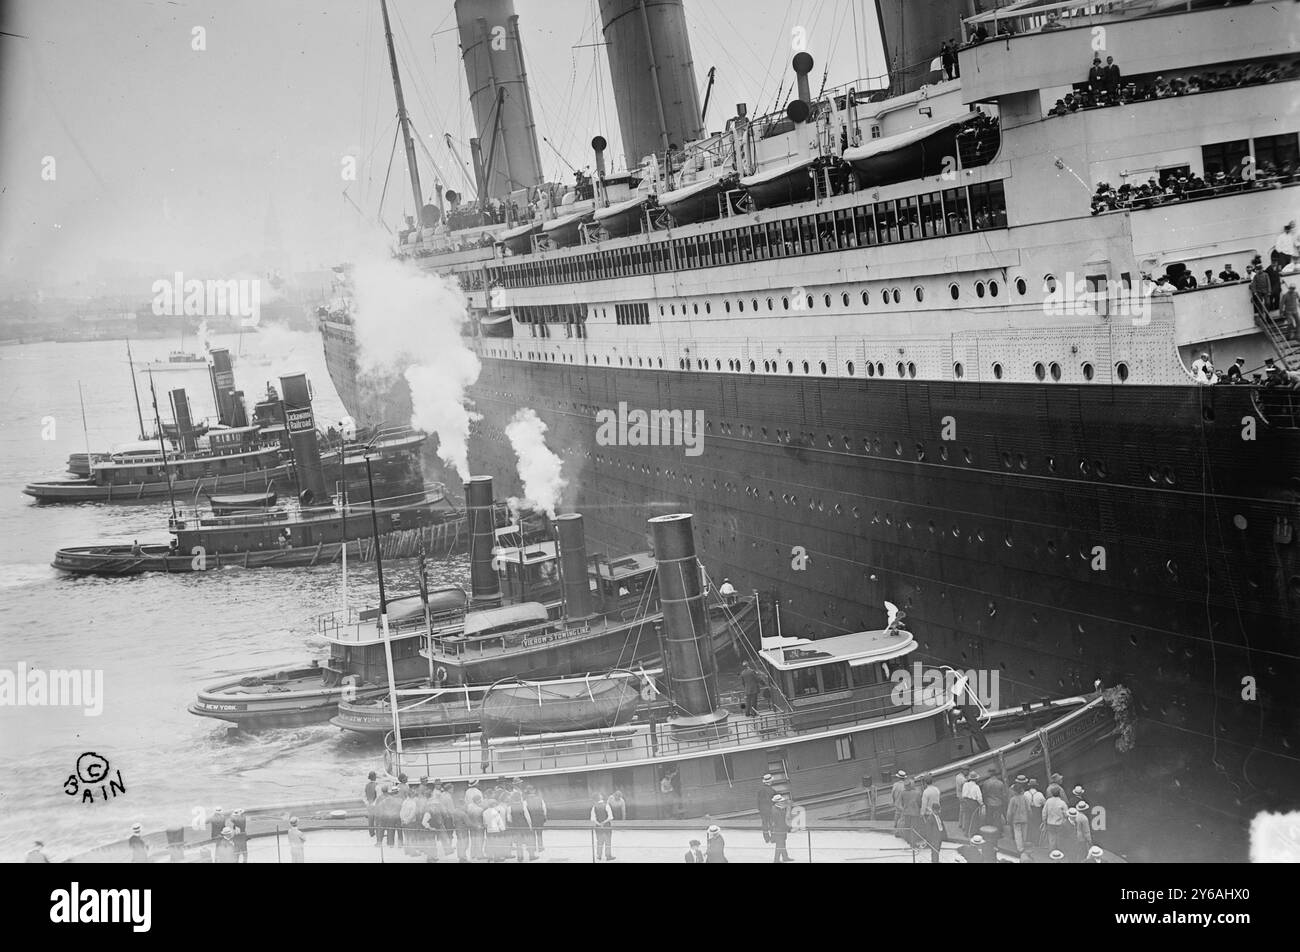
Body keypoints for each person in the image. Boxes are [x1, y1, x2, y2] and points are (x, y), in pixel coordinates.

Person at [506, 790, 534, 862]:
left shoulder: (509, 807)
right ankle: (531, 855)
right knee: (529, 841)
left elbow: (509, 819)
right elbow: (527, 817)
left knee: (519, 843)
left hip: (516, 827)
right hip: (524, 826)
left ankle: (520, 857)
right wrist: (530, 826)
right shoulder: (523, 806)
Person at [980, 769, 1008, 834]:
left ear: (990, 774)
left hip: (989, 803)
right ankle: (999, 832)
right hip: (998, 803)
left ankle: (988, 832)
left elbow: (984, 793)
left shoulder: (986, 783)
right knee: (998, 818)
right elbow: (1003, 794)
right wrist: (1004, 802)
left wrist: (984, 801)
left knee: (989, 817)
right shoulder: (1000, 783)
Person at [1042, 785, 1069, 850]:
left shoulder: (1048, 801)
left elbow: (1044, 812)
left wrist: (1044, 821)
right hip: (1060, 824)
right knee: (1059, 838)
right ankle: (1059, 851)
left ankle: (1052, 851)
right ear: (1059, 793)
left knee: (1051, 838)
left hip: (1050, 823)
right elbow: (1066, 814)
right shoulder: (1062, 803)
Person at [959, 769, 984, 836]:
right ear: (976, 779)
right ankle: (973, 832)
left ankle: (966, 832)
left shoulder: (965, 785)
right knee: (974, 818)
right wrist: (981, 804)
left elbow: (963, 794)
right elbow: (979, 797)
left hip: (966, 802)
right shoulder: (976, 787)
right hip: (973, 803)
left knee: (967, 817)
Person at [525, 785, 548, 855]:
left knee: (532, 834)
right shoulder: (540, 799)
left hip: (531, 819)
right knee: (539, 833)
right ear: (534, 791)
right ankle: (540, 847)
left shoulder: (525, 800)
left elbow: (525, 811)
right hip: (539, 818)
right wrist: (544, 816)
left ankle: (534, 847)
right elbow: (544, 808)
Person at [591, 794, 615, 861]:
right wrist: (604, 823)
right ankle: (608, 856)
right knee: (608, 841)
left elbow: (593, 818)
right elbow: (610, 817)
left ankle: (599, 856)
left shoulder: (594, 807)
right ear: (601, 798)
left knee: (599, 841)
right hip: (607, 826)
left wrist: (599, 824)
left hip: (598, 827)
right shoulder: (607, 805)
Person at [770, 793, 793, 862]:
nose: (782, 802)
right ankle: (776, 859)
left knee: (782, 844)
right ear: (777, 802)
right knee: (779, 845)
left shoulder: (779, 808)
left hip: (780, 829)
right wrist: (788, 828)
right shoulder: (775, 810)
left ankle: (785, 857)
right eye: (781, 801)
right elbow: (781, 822)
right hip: (778, 830)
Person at [757, 773, 776, 841]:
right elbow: (774, 801)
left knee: (764, 823)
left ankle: (766, 838)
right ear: (770, 782)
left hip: (762, 810)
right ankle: (773, 838)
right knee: (772, 823)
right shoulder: (772, 790)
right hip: (770, 809)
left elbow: (758, 801)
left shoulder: (760, 790)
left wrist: (760, 809)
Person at [363, 771, 380, 840]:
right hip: (374, 805)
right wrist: (374, 804)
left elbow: (364, 796)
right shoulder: (377, 786)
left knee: (370, 819)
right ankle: (378, 832)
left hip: (368, 804)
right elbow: (378, 797)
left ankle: (371, 833)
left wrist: (367, 803)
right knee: (377, 819)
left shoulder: (366, 785)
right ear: (374, 777)